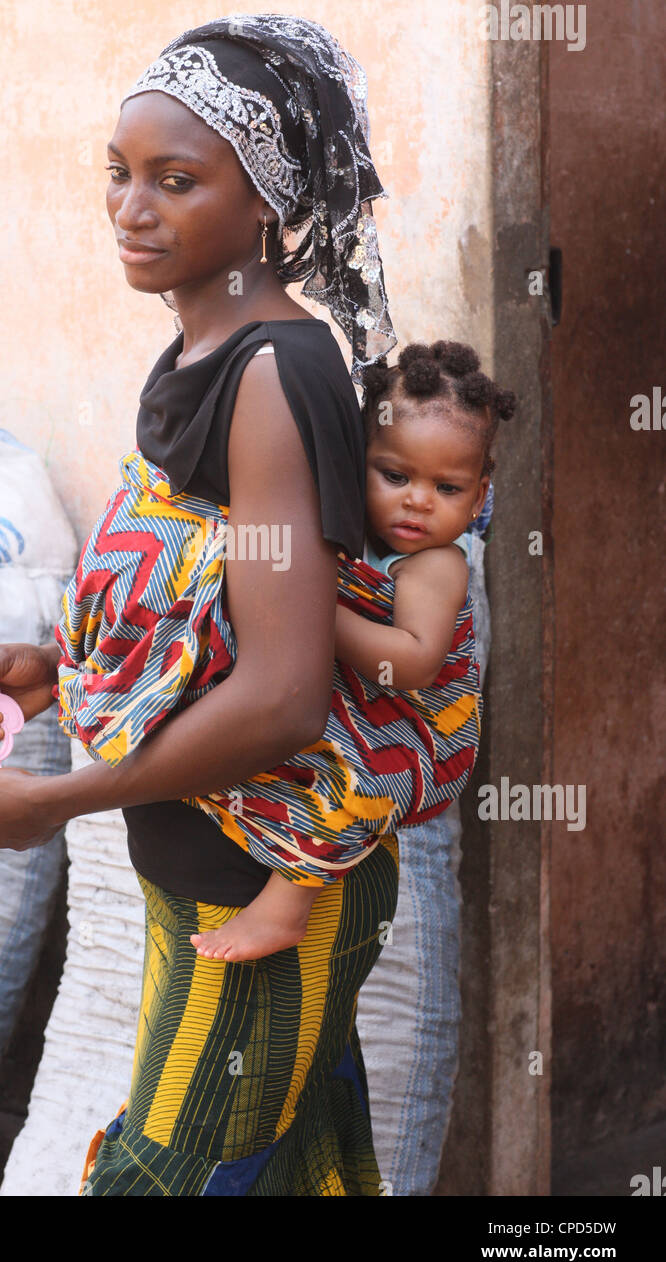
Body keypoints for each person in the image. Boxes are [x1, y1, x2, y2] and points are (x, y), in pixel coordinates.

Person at [0, 13, 409, 1196]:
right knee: (306, 1178)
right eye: (119, 172)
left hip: (262, 874)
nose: (130, 208)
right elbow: (206, 606)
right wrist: (48, 664)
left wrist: (64, 796)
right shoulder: (199, 351)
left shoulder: (272, 376)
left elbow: (289, 693)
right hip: (199, 865)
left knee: (158, 1178)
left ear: (263, 208)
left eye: (175, 181)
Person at [188, 339, 516, 961]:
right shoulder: (344, 531)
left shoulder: (438, 564)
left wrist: (310, 606)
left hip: (420, 735)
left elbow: (415, 660)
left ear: (478, 498)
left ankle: (289, 906)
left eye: (447, 488)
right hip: (366, 705)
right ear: (356, 461)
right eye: (395, 476)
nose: (418, 501)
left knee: (346, 784)